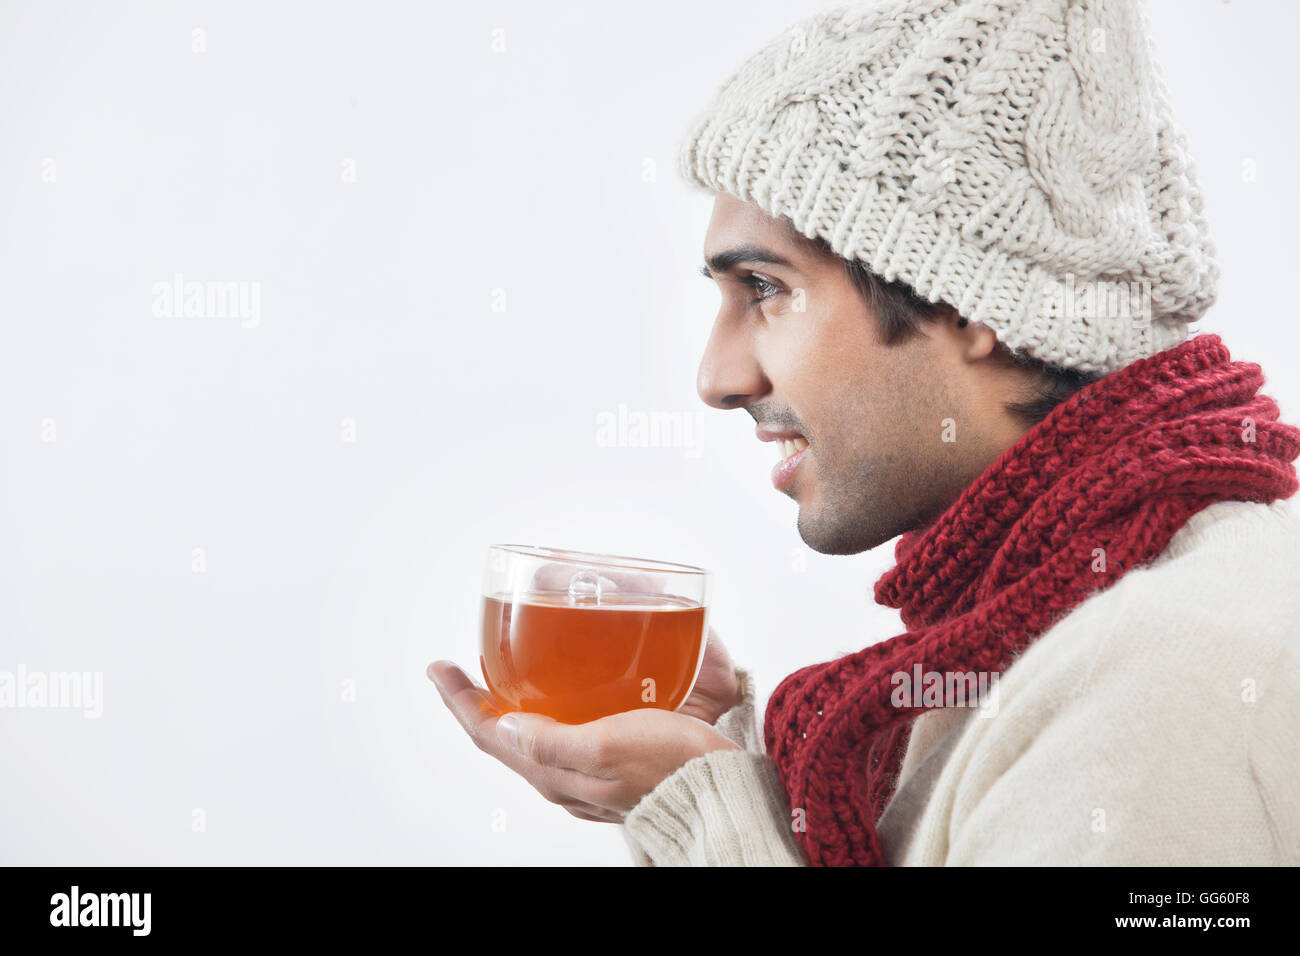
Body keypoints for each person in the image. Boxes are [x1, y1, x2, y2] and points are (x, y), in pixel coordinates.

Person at [429, 0, 1300, 865]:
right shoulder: (1036, 609)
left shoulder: (1161, 682)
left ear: (963, 300)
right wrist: (731, 757)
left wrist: (707, 820)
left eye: (764, 288)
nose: (717, 379)